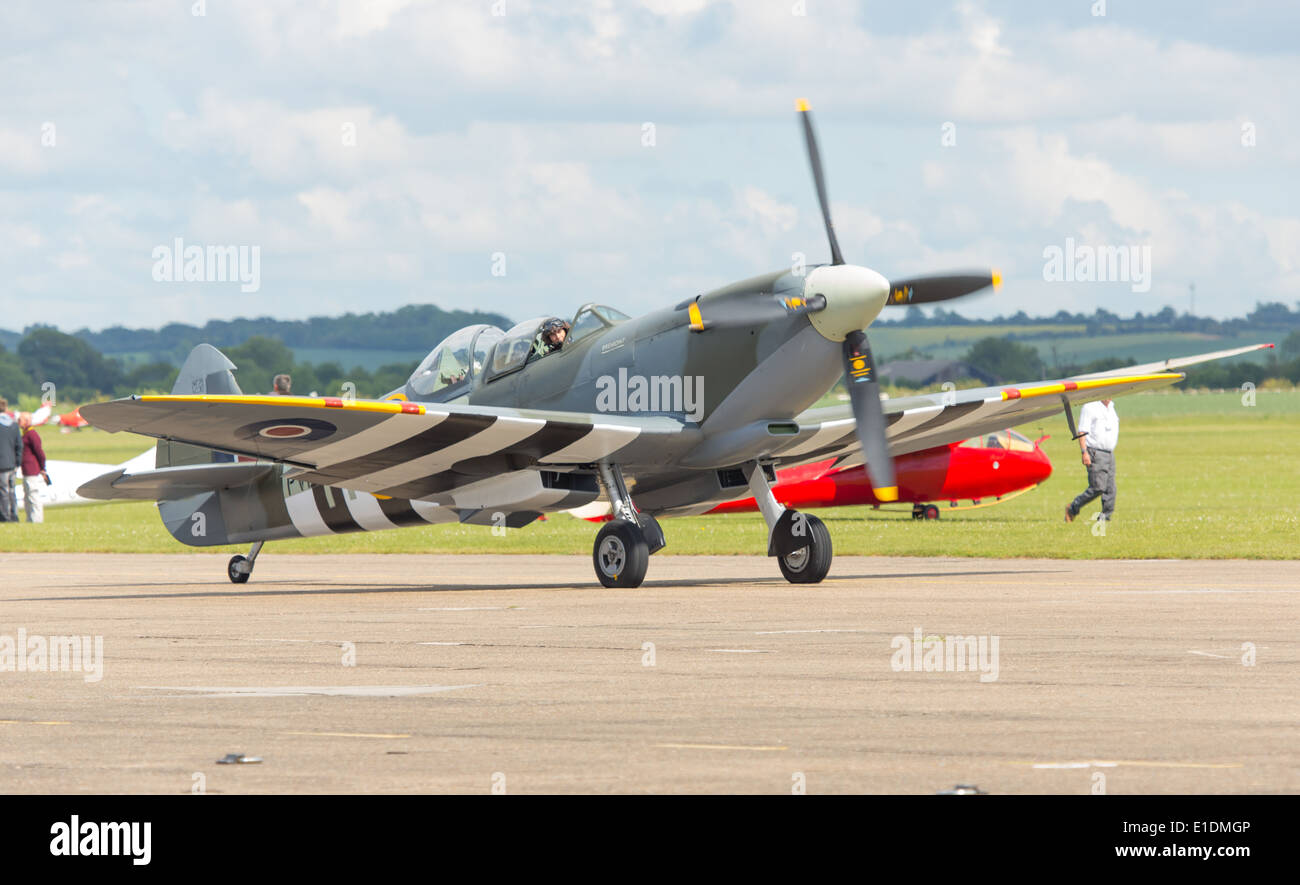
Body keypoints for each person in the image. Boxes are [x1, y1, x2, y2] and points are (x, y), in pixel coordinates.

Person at [1065, 398, 1119, 523]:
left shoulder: (1111, 407)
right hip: (1095, 452)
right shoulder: (1090, 407)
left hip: (1109, 453)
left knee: (1111, 489)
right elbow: (1082, 431)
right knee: (1098, 487)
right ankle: (1073, 508)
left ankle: (1105, 519)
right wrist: (1084, 452)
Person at [18, 412, 50, 524]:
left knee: (33, 495)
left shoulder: (32, 434)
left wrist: (42, 467)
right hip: (26, 469)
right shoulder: (26, 434)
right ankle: (30, 518)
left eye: (20, 420)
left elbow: (39, 452)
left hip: (31, 469)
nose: (18, 422)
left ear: (26, 421)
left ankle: (36, 519)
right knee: (28, 495)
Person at [0, 399, 20, 523]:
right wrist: (17, 462)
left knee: (3, 492)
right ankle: (14, 515)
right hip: (12, 463)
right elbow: (19, 445)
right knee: (12, 491)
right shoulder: (13, 424)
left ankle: (5, 517)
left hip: (1, 464)